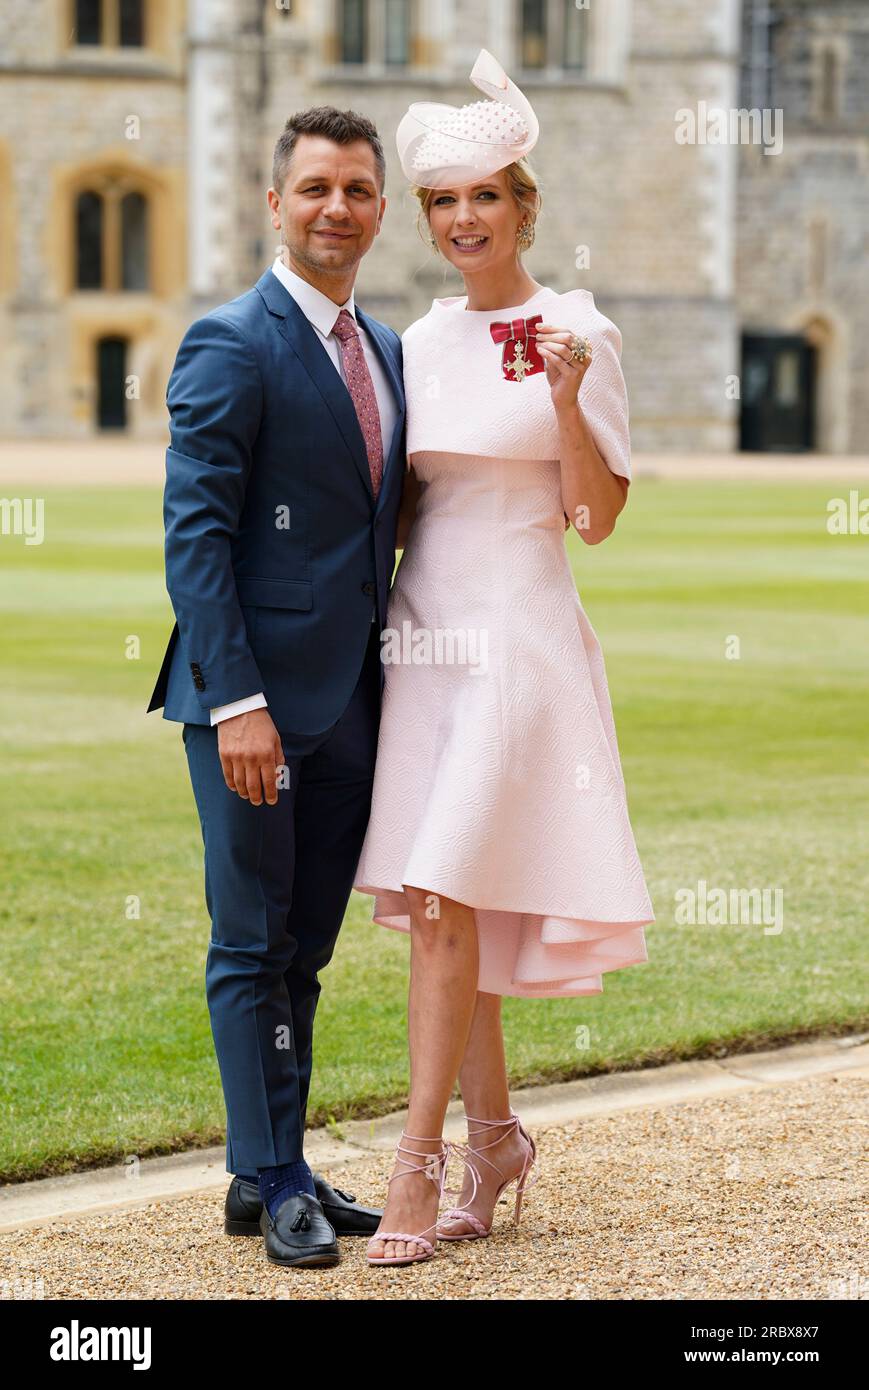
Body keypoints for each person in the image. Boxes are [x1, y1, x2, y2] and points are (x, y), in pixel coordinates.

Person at [354, 50, 655, 1267]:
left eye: (485, 196)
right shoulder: (413, 340)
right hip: (423, 638)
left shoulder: (577, 328)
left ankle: (415, 1171)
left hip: (519, 640)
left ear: (525, 207)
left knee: (441, 896)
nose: (463, 218)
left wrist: (573, 402)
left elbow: (595, 519)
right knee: (447, 898)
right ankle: (496, 1141)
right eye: (442, 201)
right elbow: (399, 507)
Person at [147, 107, 406, 1269]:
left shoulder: (386, 350)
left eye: (355, 189)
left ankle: (279, 1165)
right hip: (249, 705)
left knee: (305, 947)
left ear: (379, 209)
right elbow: (195, 536)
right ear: (274, 203)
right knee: (249, 944)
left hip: (354, 700)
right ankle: (263, 1176)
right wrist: (237, 699)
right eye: (313, 188)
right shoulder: (228, 340)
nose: (334, 207)